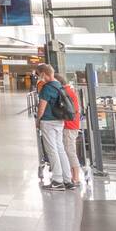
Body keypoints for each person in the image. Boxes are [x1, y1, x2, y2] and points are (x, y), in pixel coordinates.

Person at [35, 63, 77, 191]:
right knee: (60, 149)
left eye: (38, 75)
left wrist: (38, 120)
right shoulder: (59, 85)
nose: (38, 77)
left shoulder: (46, 88)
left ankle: (57, 181)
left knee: (52, 150)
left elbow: (41, 108)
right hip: (60, 121)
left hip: (48, 122)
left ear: (43, 74)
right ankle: (67, 180)